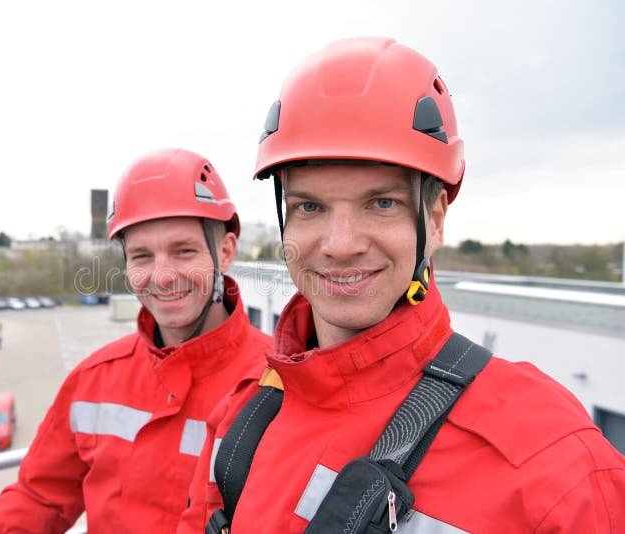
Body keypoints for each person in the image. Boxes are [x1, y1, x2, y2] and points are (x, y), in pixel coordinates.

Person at [179, 37, 625, 533]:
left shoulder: (554, 465)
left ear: (434, 220)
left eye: (381, 203)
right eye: (310, 206)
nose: (340, 244)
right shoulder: (243, 420)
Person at [0, 148, 270, 533]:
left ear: (224, 253)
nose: (162, 276)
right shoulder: (94, 379)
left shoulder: (278, 383)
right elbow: (41, 498)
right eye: (142, 256)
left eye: (184, 251)